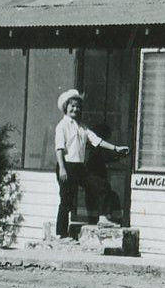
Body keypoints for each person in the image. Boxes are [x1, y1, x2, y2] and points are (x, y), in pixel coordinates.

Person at [54, 90, 129, 238]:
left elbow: (97, 141)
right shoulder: (62, 126)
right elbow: (59, 149)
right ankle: (60, 234)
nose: (75, 109)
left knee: (101, 186)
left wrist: (115, 148)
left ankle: (103, 218)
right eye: (72, 106)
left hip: (80, 168)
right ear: (66, 107)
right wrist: (62, 168)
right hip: (67, 166)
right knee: (66, 201)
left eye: (78, 106)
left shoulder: (82, 127)